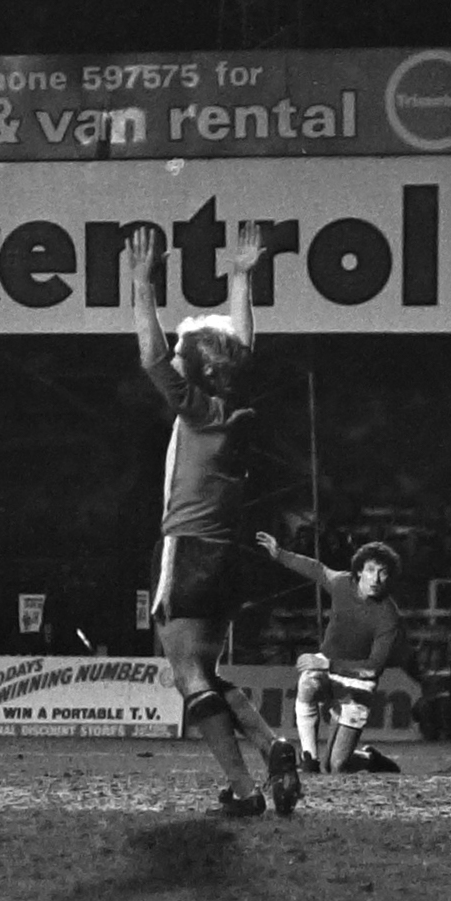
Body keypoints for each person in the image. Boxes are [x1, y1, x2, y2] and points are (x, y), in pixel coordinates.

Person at [124, 220, 300, 819]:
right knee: (206, 668)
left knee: (186, 675)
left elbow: (151, 356)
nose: (175, 351)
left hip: (188, 545)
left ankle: (245, 791)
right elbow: (241, 351)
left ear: (196, 370)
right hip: (226, 555)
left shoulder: (198, 411)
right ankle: (274, 748)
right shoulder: (237, 407)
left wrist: (142, 286)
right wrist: (241, 279)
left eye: (184, 351)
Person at [256, 532, 406, 775]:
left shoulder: (388, 615)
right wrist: (280, 554)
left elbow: (374, 667)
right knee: (308, 680)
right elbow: (316, 569)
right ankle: (309, 760)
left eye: (383, 572)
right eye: (370, 570)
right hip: (329, 669)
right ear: (359, 571)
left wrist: (328, 665)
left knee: (337, 765)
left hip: (359, 682)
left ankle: (370, 759)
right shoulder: (342, 585)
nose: (376, 578)